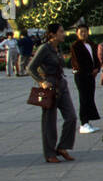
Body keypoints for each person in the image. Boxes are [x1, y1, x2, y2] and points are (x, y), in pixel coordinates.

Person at [28, 23, 78, 163]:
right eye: (61, 32)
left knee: (71, 117)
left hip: (61, 85)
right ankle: (50, 154)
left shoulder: (58, 48)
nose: (64, 34)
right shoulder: (44, 48)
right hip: (50, 87)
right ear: (52, 34)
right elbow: (31, 68)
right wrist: (41, 81)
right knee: (49, 122)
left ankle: (63, 147)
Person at [69, 23, 101, 133]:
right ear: (77, 33)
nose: (83, 33)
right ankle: (83, 123)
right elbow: (78, 62)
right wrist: (89, 71)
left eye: (85, 31)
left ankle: (88, 122)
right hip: (81, 75)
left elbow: (97, 58)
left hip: (91, 75)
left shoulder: (91, 44)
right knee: (83, 98)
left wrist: (97, 68)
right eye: (81, 32)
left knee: (89, 98)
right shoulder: (75, 46)